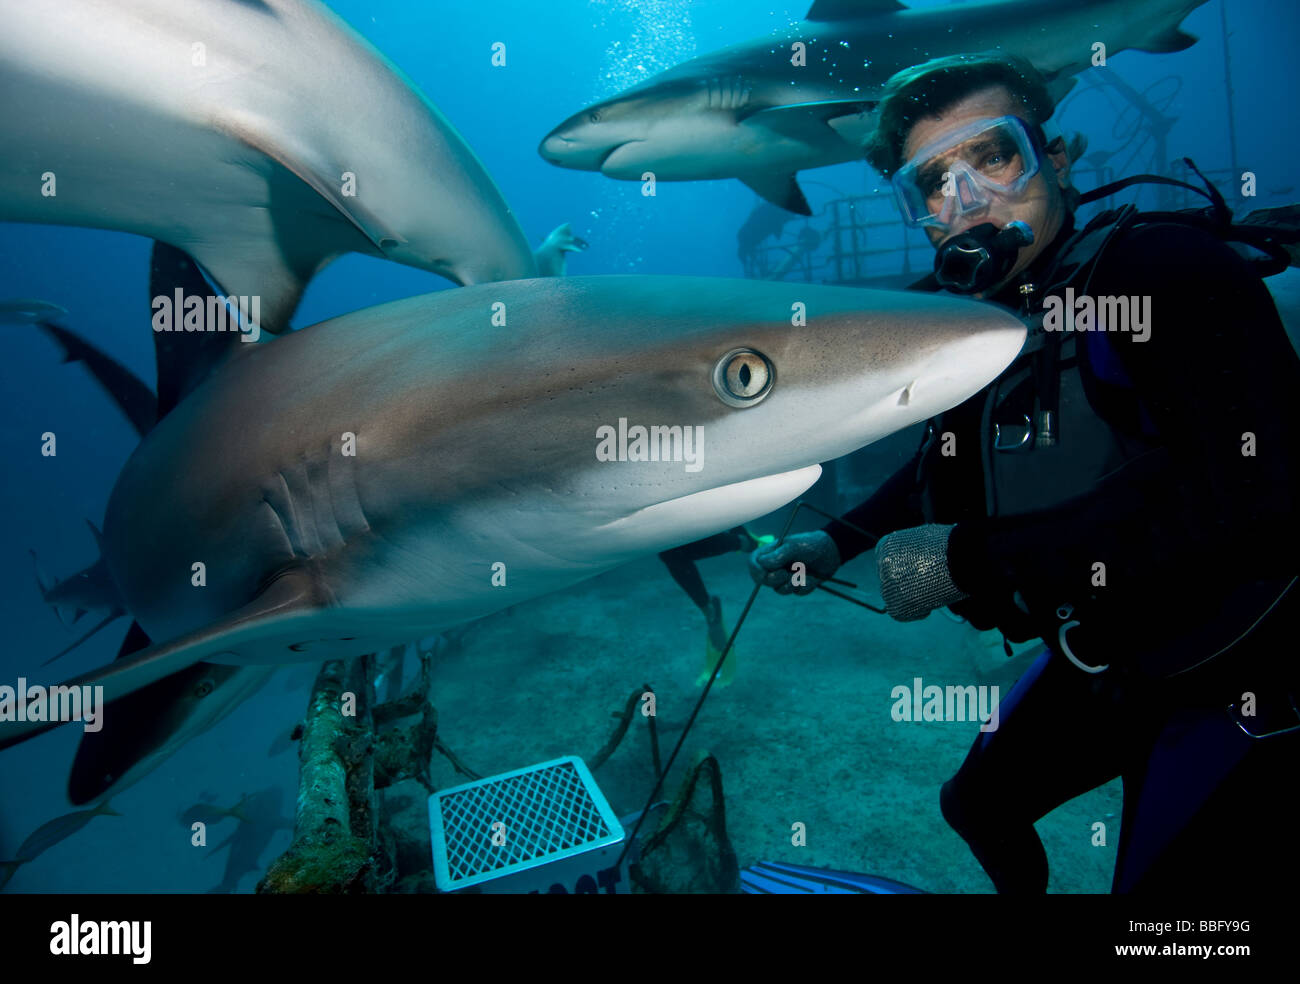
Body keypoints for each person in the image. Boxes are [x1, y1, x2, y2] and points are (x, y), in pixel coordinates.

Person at [749, 52, 1300, 893]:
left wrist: (964, 560)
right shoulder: (983, 325)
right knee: (977, 803)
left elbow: (1260, 502)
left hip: (1229, 668)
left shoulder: (1161, 274)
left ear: (1058, 158)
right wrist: (834, 541)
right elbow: (951, 461)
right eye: (934, 181)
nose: (967, 199)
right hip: (1096, 655)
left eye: (993, 156)